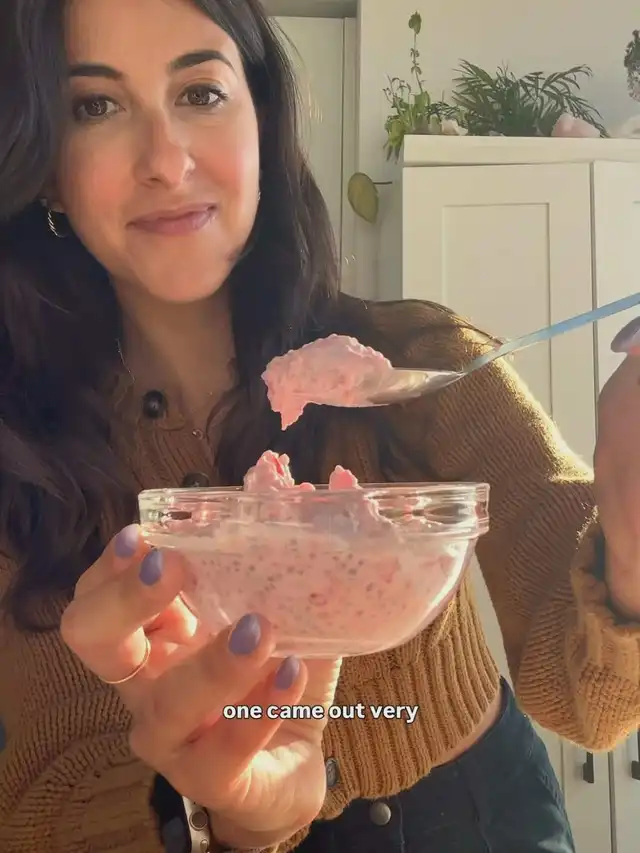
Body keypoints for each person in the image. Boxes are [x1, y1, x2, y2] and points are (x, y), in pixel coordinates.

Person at [1, 0, 640, 852]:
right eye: (96, 105)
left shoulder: (427, 361)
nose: (167, 161)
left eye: (200, 93)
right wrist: (214, 811)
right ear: (47, 165)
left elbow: (588, 700)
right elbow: (40, 805)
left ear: (262, 120)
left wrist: (630, 557)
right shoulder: (24, 459)